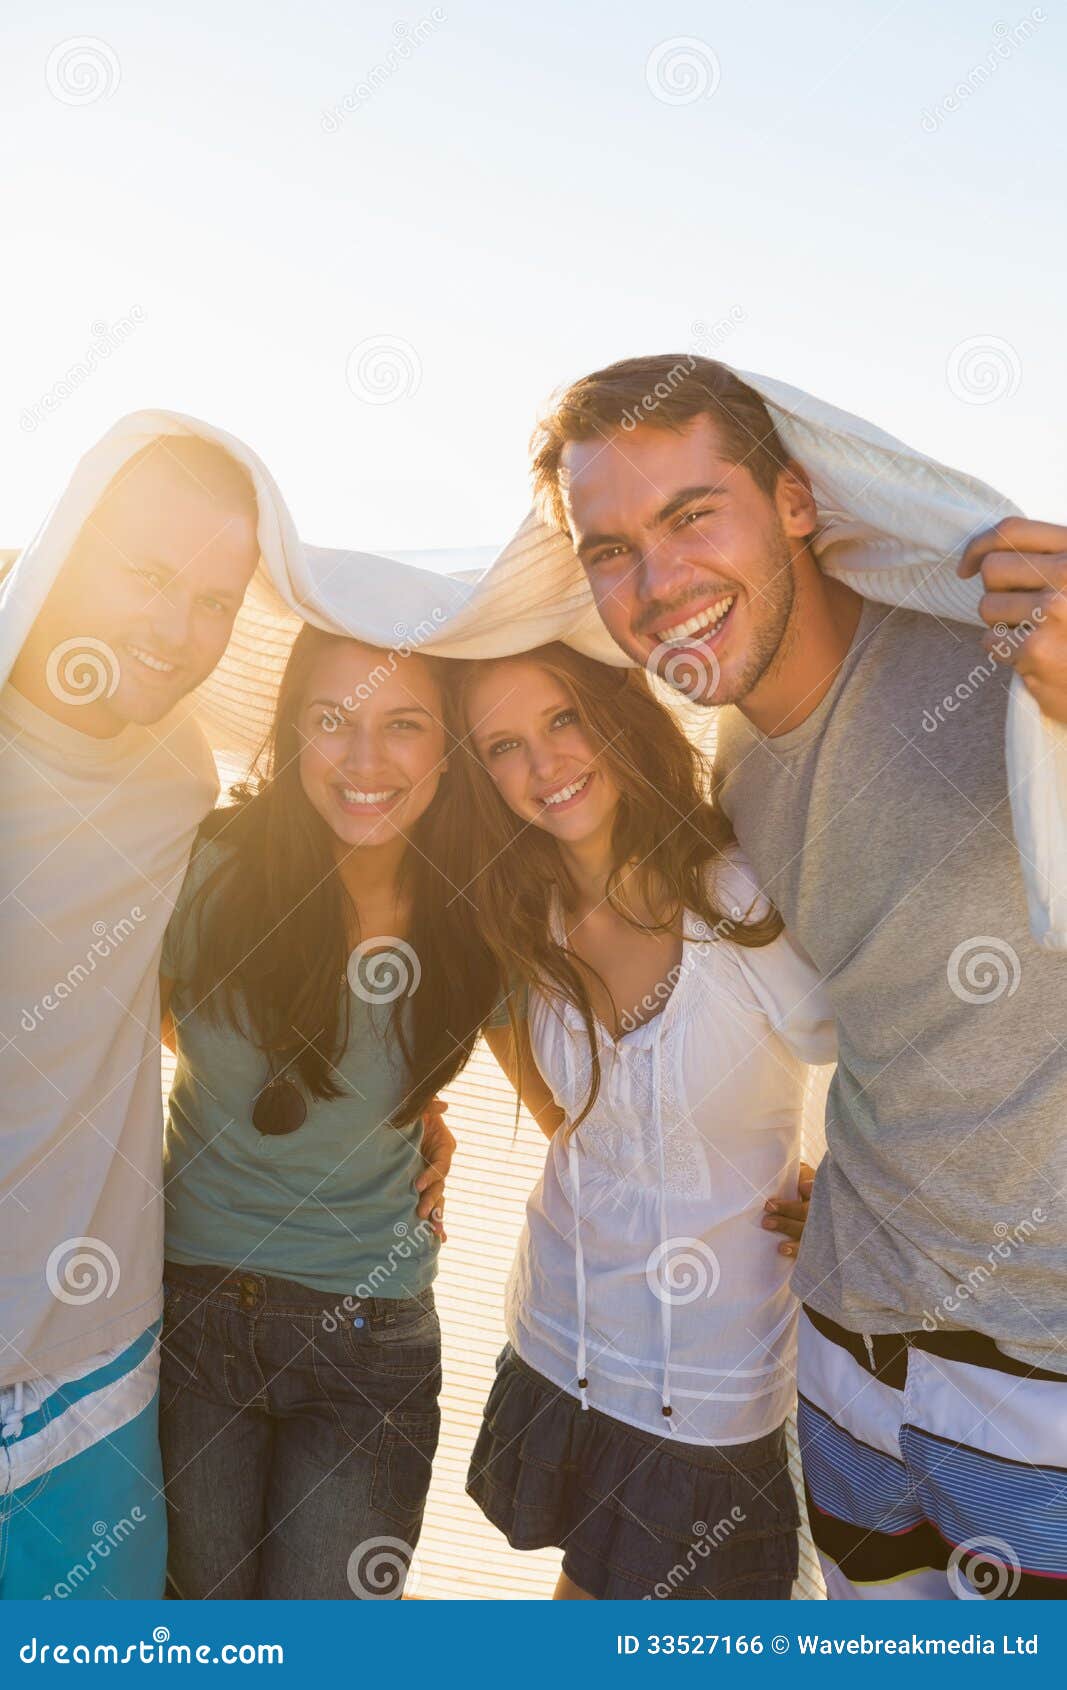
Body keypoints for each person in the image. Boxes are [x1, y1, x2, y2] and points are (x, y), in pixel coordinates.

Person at [527, 354, 1067, 1599]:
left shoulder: (1000, 672)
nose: (657, 587)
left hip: (1038, 1377)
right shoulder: (735, 778)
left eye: (688, 516)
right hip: (842, 1356)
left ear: (793, 502)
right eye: (608, 550)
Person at [449, 642, 832, 1600]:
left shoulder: (739, 896)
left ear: (616, 716)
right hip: (561, 1330)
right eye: (502, 745)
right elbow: (506, 1046)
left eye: (562, 720)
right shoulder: (516, 909)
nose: (543, 766)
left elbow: (881, 1051)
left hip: (713, 1381)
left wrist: (852, 1189)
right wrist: (421, 1115)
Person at [157, 627, 499, 1600]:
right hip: (191, 1310)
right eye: (330, 721)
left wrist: (422, 1102)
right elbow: (139, 1026)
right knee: (201, 1641)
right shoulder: (209, 867)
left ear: (448, 746)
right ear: (290, 730)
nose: (362, 760)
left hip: (370, 1337)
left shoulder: (479, 908)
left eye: (403, 725)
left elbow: (575, 1099)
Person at [0, 432, 262, 1599]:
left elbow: (158, 988)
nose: (175, 631)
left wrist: (392, 1113)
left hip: (90, 1360)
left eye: (214, 600)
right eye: (146, 575)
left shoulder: (180, 771)